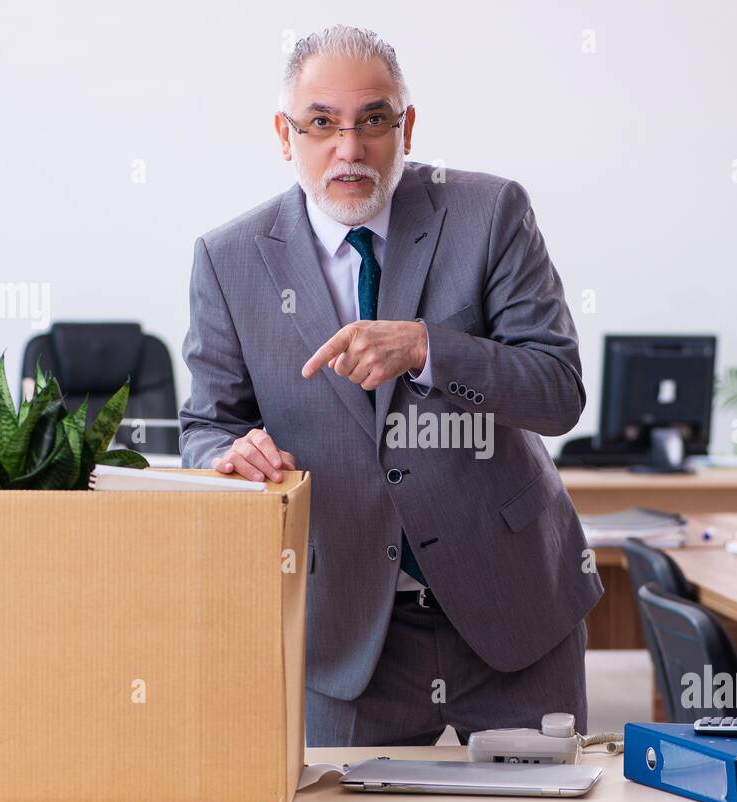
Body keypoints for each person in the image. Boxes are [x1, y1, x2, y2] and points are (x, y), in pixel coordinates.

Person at [180, 25, 601, 747]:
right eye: (321, 124)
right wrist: (228, 455)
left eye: (373, 120)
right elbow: (205, 427)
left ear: (405, 126)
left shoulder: (490, 214)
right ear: (286, 136)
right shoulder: (229, 260)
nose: (350, 148)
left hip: (513, 607)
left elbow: (558, 390)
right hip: (347, 630)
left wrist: (429, 347)